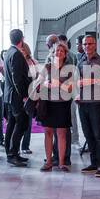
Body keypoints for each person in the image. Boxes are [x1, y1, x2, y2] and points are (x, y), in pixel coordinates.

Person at [38, 39, 75, 170]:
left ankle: (61, 163)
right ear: (52, 53)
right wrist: (45, 84)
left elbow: (70, 89)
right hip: (48, 103)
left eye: (61, 50)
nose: (58, 52)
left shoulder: (69, 69)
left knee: (61, 133)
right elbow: (39, 82)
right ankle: (48, 162)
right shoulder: (47, 67)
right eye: (56, 51)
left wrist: (59, 84)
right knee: (48, 132)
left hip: (62, 104)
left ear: (65, 54)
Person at [77, 33, 100, 177]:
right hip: (83, 103)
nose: (87, 46)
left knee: (98, 135)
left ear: (95, 45)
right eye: (85, 44)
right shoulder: (81, 61)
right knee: (88, 135)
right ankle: (93, 162)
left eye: (89, 44)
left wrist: (92, 81)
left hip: (97, 103)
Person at [4, 29, 33, 166]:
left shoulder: (9, 52)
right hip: (16, 96)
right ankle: (13, 154)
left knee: (12, 125)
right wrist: (24, 96)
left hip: (10, 96)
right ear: (22, 38)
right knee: (21, 124)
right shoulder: (16, 54)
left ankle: (11, 153)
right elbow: (17, 78)